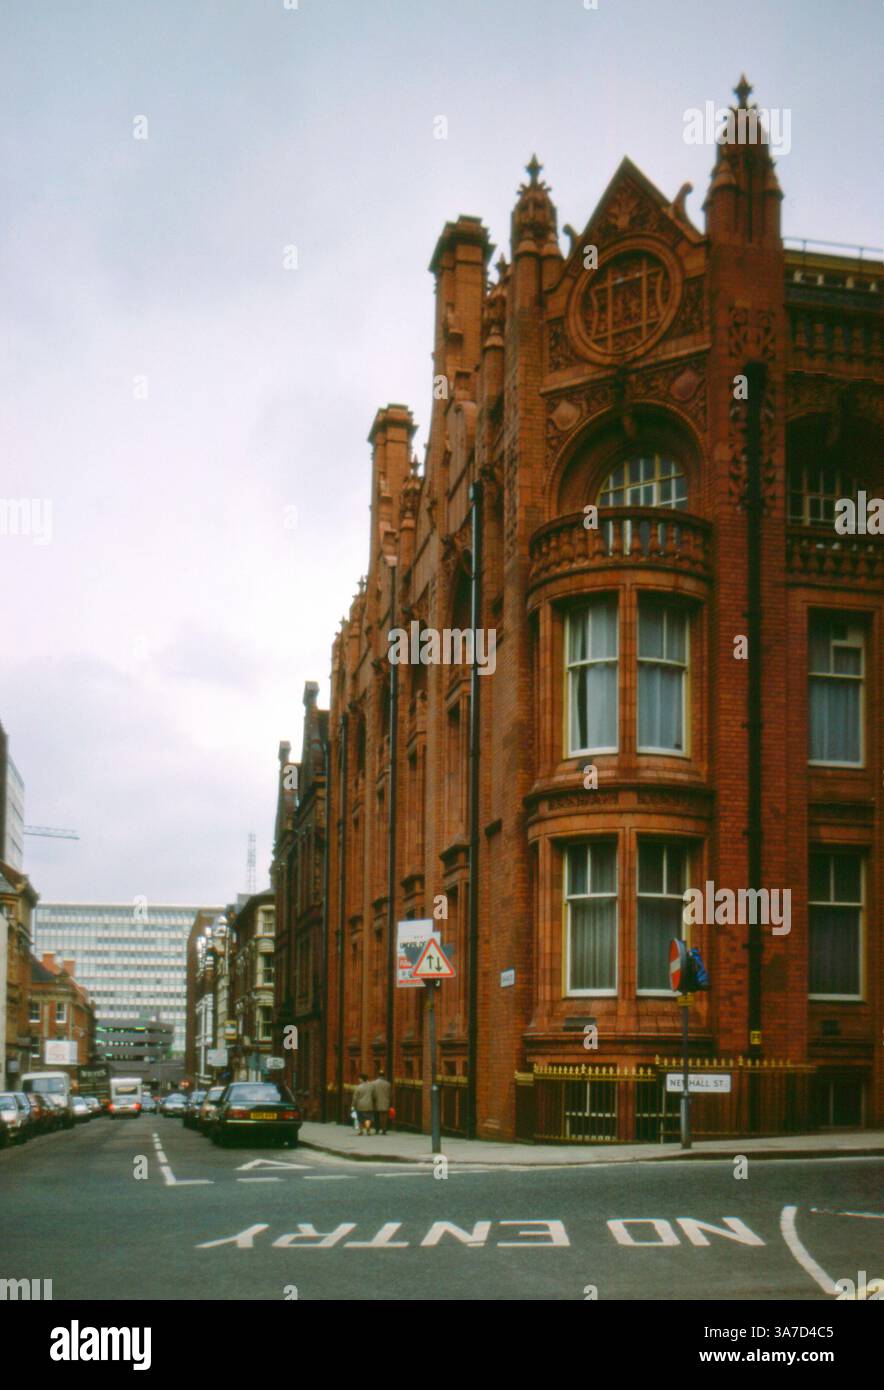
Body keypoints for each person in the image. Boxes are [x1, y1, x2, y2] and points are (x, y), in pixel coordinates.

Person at [372, 1068, 392, 1136]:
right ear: (384, 1075)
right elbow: (389, 1094)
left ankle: (377, 1129)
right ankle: (384, 1129)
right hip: (385, 1101)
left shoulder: (373, 1083)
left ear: (378, 1075)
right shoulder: (388, 1084)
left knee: (376, 1116)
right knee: (384, 1116)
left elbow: (373, 1093)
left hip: (376, 1101)